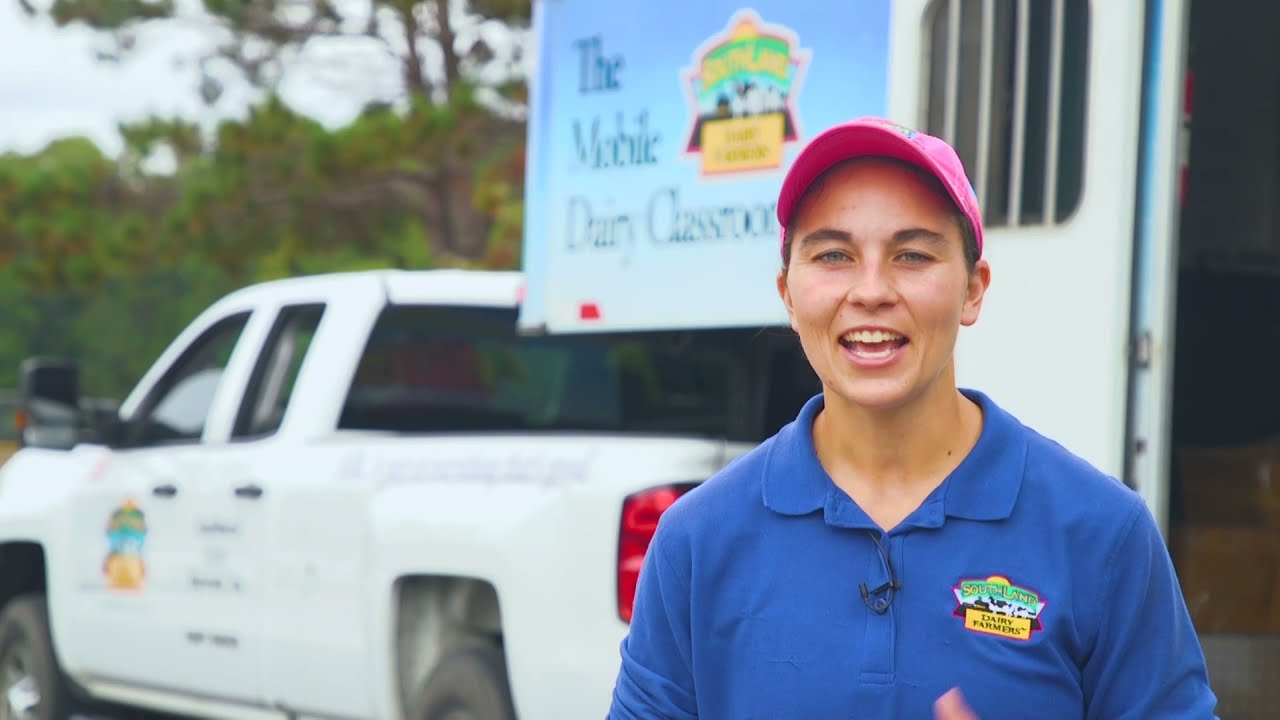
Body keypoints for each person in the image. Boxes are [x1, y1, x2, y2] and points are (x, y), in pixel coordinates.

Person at [606, 116, 1218, 719]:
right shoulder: (697, 540)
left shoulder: (1101, 533)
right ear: (789, 294)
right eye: (834, 255)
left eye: (913, 254)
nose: (871, 290)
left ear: (973, 290)